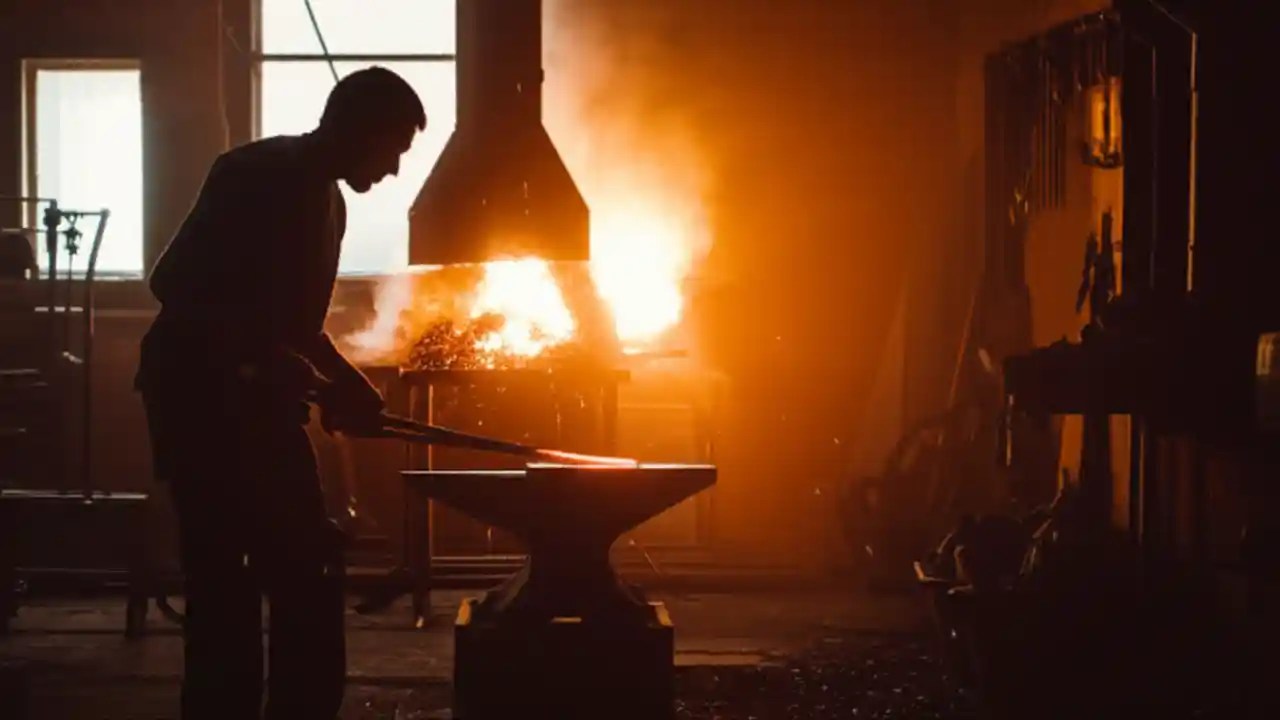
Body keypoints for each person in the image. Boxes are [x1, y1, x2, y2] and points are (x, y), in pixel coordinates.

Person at [135, 67, 425, 719]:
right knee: (226, 574)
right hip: (196, 401)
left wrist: (351, 386)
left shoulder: (331, 203)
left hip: (258, 401)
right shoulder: (253, 174)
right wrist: (259, 356)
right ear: (359, 129)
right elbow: (172, 284)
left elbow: (300, 327)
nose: (396, 169)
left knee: (305, 564)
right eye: (395, 149)